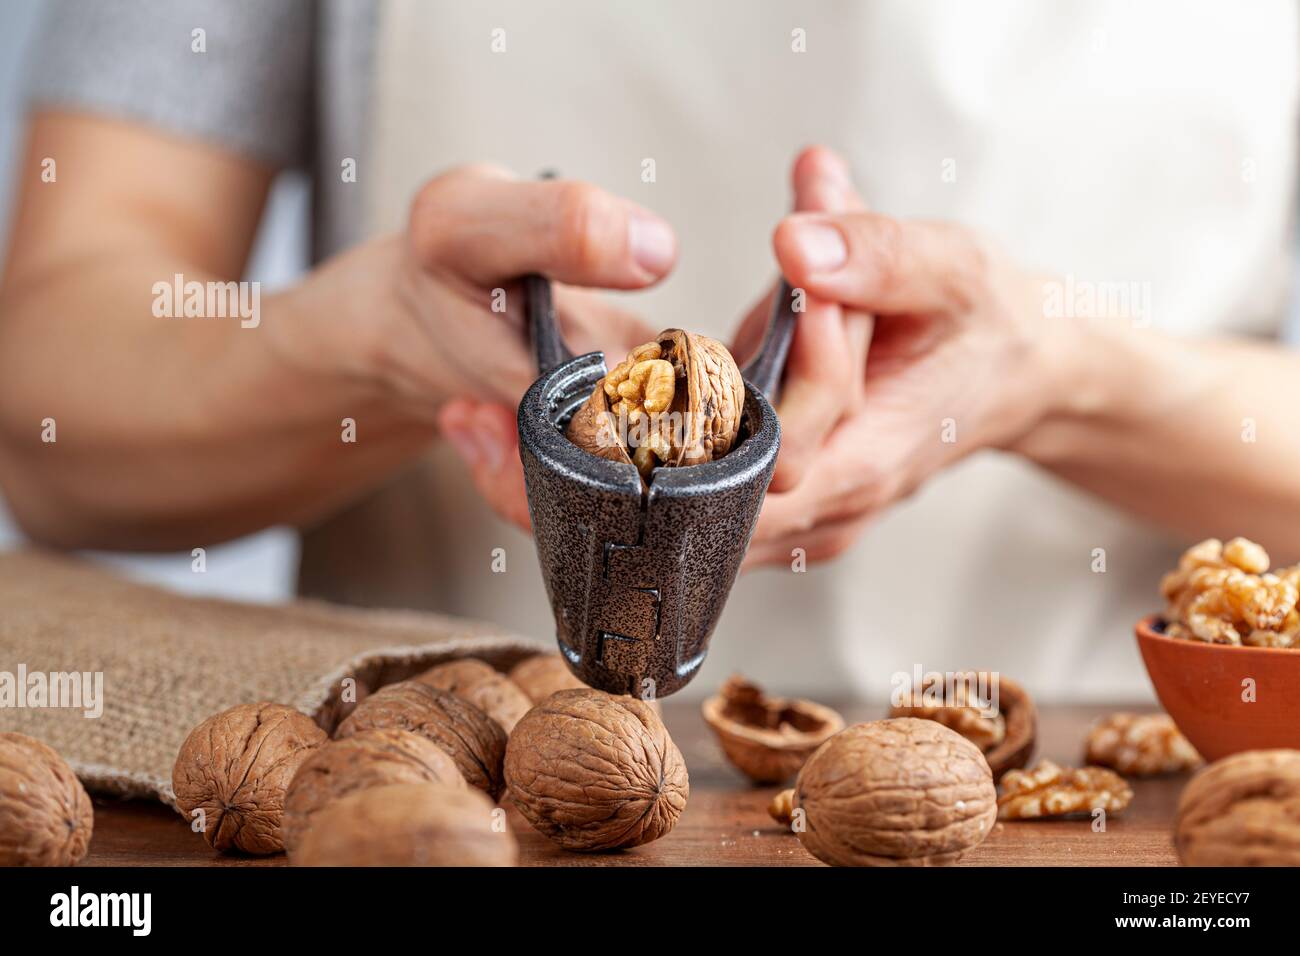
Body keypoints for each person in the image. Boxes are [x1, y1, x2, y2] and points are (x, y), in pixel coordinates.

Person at [1, 0, 1298, 701]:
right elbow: (48, 420)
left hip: (1089, 811)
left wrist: (1069, 375)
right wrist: (364, 346)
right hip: (458, 779)